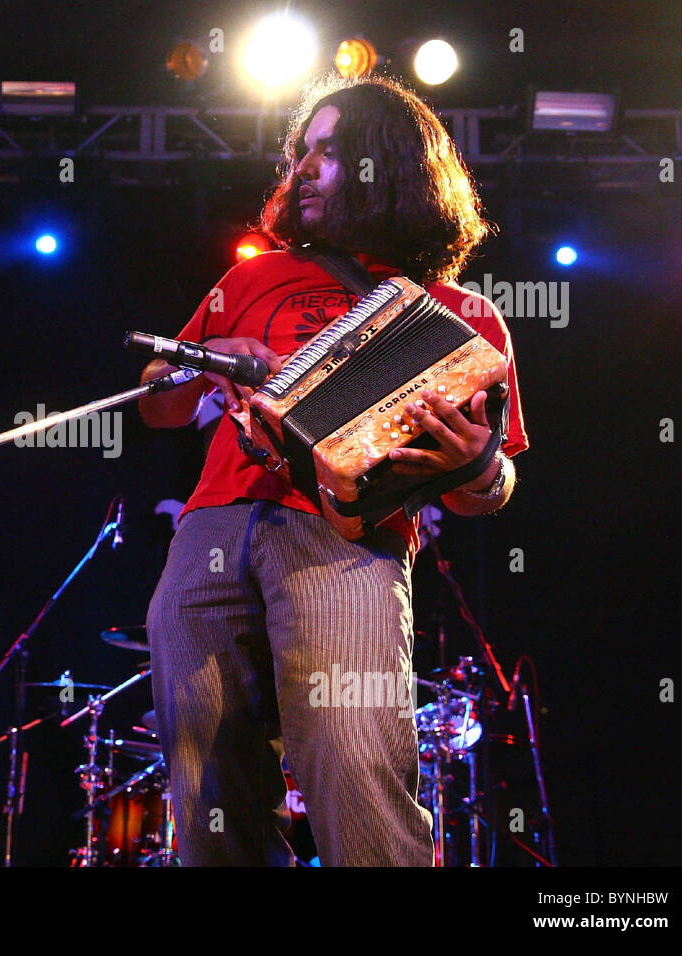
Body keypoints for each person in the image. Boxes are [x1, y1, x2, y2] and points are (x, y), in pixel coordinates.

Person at [138, 74, 529, 866]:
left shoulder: (463, 317)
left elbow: (492, 488)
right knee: (204, 783)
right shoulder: (251, 277)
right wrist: (205, 366)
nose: (304, 168)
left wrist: (477, 461)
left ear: (392, 165)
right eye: (301, 151)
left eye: (331, 150)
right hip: (211, 526)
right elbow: (156, 405)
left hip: (348, 541)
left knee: (357, 773)